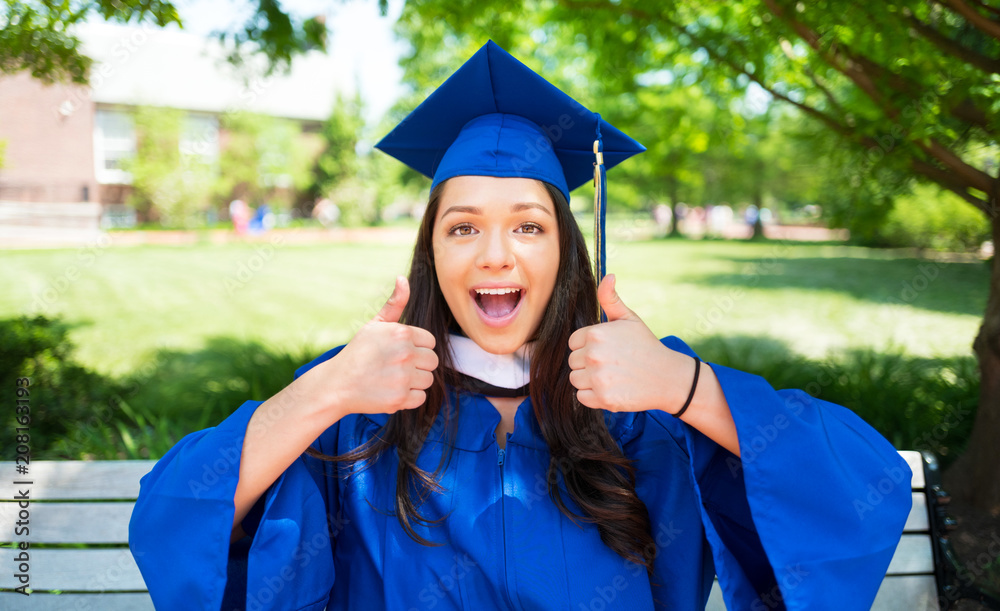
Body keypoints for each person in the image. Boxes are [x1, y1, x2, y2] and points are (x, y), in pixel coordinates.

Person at [129, 42, 911, 610]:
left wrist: (686, 385)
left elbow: (860, 486)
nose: (495, 254)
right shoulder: (362, 396)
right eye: (462, 227)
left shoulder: (641, 398)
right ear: (430, 252)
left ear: (567, 249)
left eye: (529, 226)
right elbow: (173, 520)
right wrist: (323, 392)